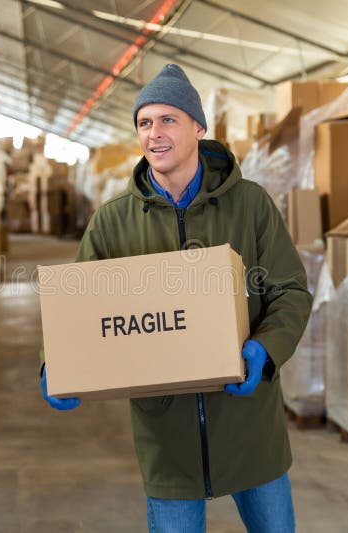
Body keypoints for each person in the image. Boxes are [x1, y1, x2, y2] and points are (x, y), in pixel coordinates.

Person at [40, 64, 312, 533]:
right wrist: (55, 365)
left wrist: (265, 349)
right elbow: (75, 312)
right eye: (145, 123)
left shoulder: (250, 205)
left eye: (168, 119)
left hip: (249, 424)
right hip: (167, 436)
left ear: (198, 128)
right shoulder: (113, 223)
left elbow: (290, 291)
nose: (155, 134)